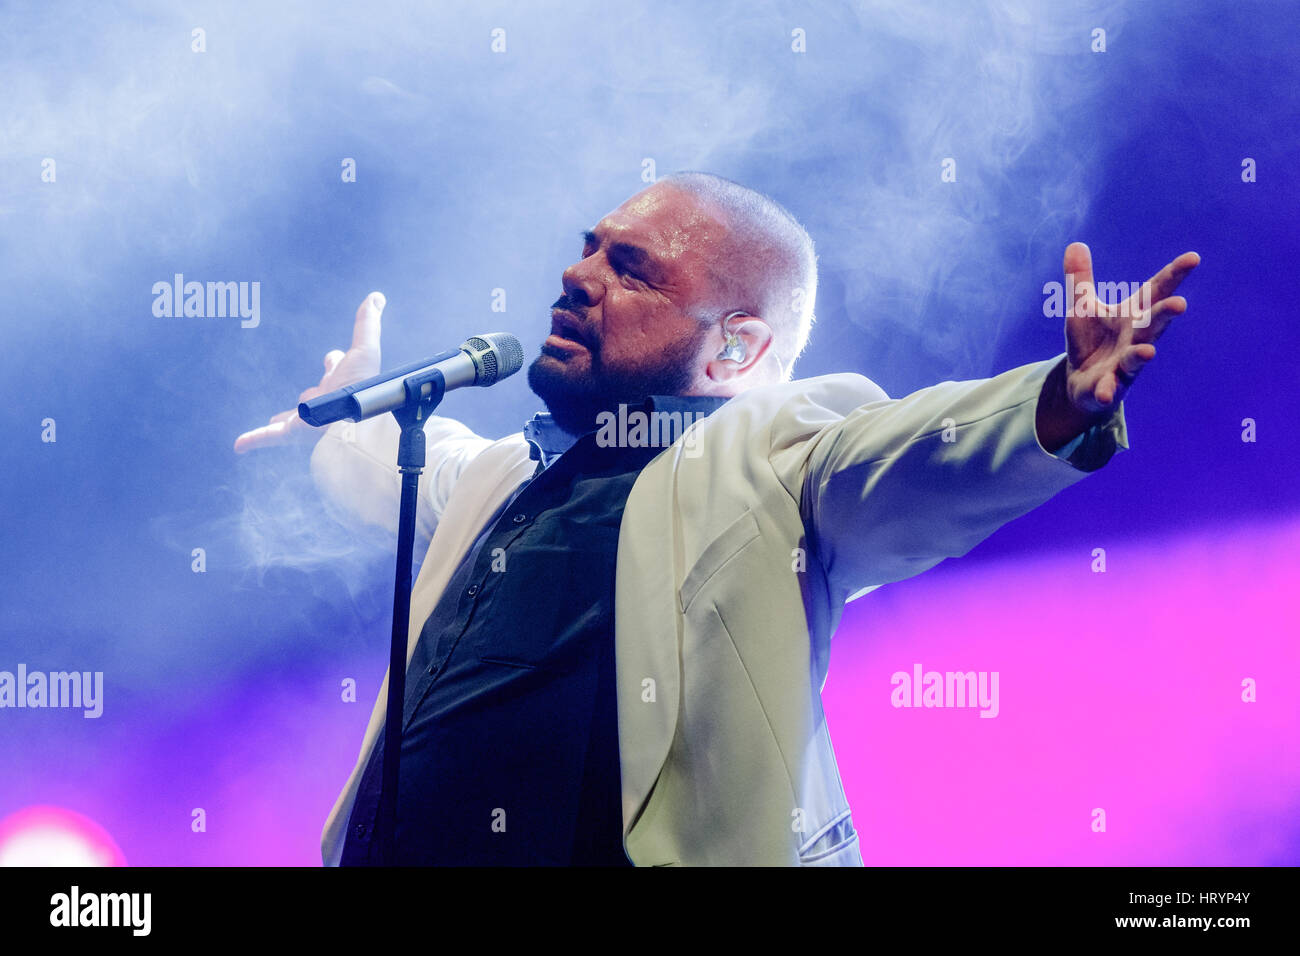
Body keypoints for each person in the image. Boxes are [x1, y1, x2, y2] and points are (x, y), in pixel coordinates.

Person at [235, 172, 1199, 866]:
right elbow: (406, 466)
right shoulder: (508, 474)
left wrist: (1060, 403)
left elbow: (918, 454)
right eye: (586, 251)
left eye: (632, 268)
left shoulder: (775, 459)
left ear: (740, 346)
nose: (578, 277)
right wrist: (347, 412)